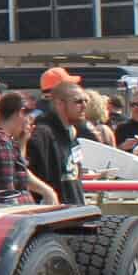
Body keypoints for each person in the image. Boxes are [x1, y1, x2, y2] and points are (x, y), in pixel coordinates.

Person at [0, 91, 57, 205]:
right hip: (8, 215)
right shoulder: (0, 142)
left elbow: (19, 171)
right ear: (20, 113)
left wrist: (22, 143)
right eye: (29, 114)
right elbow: (7, 195)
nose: (30, 121)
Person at [25, 67, 88, 207]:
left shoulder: (71, 131)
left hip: (75, 214)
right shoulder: (41, 134)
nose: (84, 106)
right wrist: (46, 192)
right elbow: (22, 172)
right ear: (58, 100)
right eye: (78, 101)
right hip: (55, 219)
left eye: (86, 101)